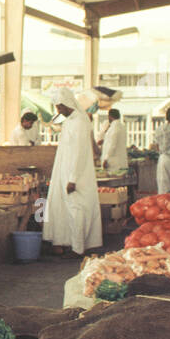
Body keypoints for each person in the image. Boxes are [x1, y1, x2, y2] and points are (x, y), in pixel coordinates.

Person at [42, 87, 102, 257]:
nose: (58, 111)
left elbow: (80, 152)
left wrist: (73, 178)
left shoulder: (81, 122)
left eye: (60, 107)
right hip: (64, 172)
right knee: (67, 209)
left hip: (76, 175)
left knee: (76, 209)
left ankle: (78, 248)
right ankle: (68, 243)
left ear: (68, 104)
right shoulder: (69, 121)